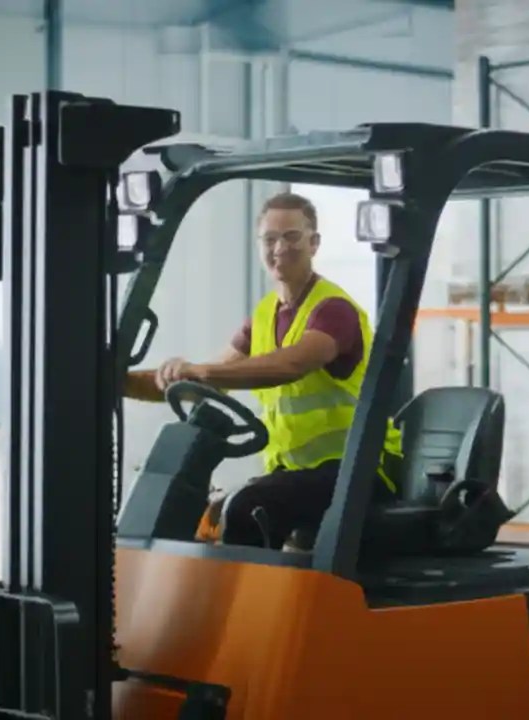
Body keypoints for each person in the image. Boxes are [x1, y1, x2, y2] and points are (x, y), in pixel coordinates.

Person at [124, 191, 404, 549]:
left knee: (247, 506)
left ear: (314, 243)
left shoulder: (334, 310)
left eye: (291, 237)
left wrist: (201, 371)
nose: (279, 249)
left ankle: (248, 607)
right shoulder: (264, 316)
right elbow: (202, 383)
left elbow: (292, 364)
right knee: (217, 508)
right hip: (298, 474)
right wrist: (117, 381)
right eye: (270, 239)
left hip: (357, 471)